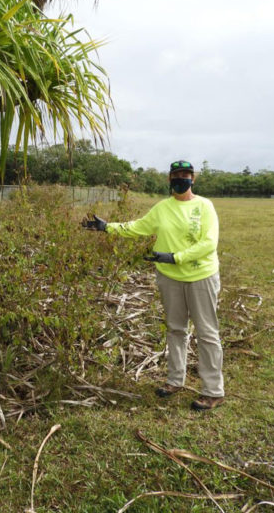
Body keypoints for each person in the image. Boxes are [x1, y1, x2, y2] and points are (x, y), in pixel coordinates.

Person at [82, 160, 224, 411]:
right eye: (176, 175)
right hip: (170, 278)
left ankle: (213, 391)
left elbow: (209, 243)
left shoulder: (204, 206)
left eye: (186, 175)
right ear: (169, 179)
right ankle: (174, 380)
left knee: (206, 332)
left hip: (200, 276)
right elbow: (138, 227)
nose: (181, 179)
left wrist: (176, 257)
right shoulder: (162, 208)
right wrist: (107, 228)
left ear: (193, 179)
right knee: (175, 329)